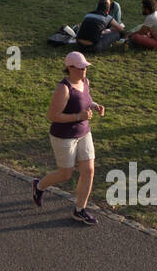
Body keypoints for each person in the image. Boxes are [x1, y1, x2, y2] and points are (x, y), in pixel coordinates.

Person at [31, 51, 104, 226]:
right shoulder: (63, 88)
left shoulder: (85, 82)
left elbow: (86, 99)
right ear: (69, 68)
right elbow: (53, 116)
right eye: (80, 68)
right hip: (64, 137)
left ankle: (80, 210)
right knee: (65, 175)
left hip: (84, 133)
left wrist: (95, 106)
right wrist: (79, 116)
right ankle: (39, 186)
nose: (84, 71)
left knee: (89, 171)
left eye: (85, 67)